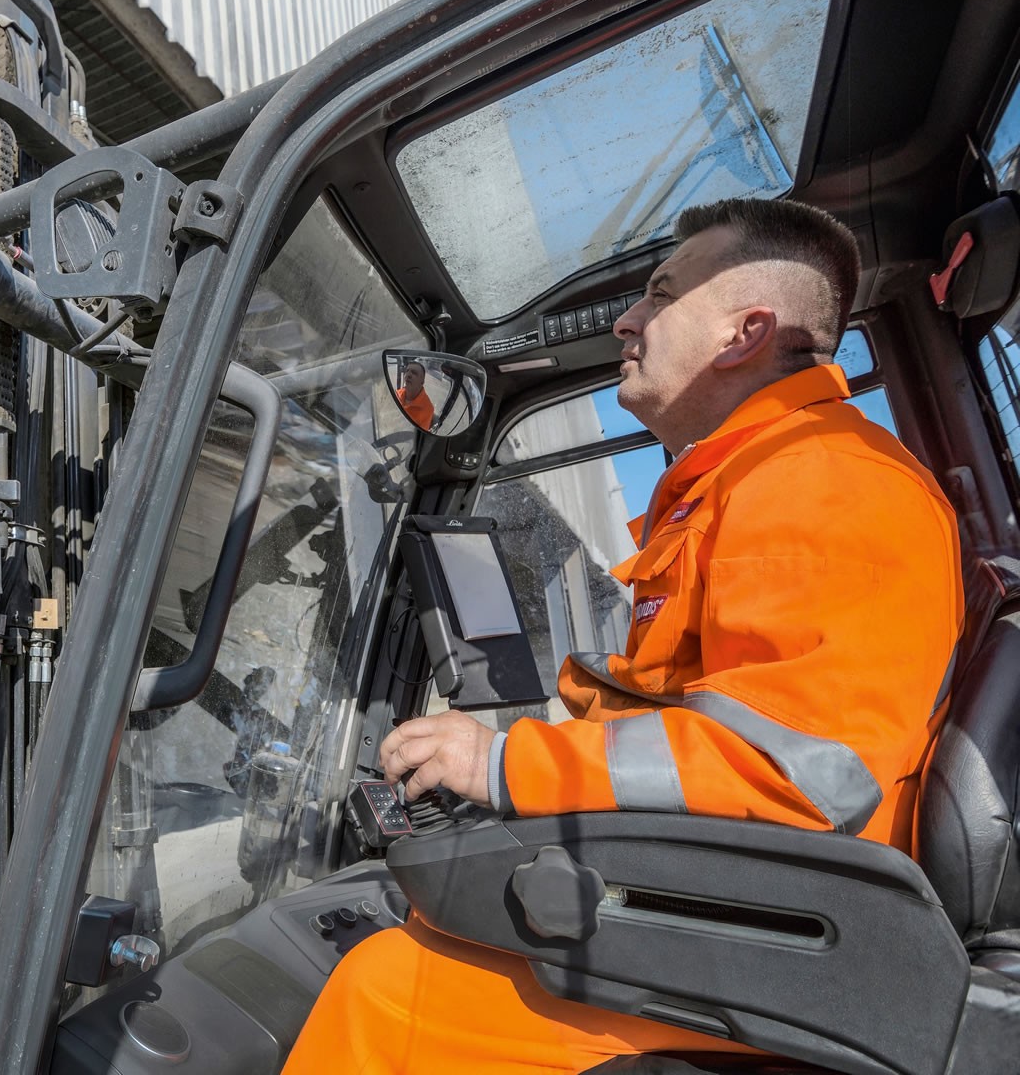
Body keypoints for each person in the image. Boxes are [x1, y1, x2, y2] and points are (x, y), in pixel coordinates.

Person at [284, 198, 964, 1074]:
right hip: (734, 907)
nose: (627, 318)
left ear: (742, 332)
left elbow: (801, 771)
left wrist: (500, 765)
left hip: (777, 949)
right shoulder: (747, 483)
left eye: (661, 292)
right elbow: (696, 713)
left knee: (385, 987)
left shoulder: (826, 480)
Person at [394, 360, 436, 431]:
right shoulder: (396, 394)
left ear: (422, 382)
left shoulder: (427, 409)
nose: (408, 375)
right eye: (407, 371)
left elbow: (419, 436)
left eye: (414, 373)